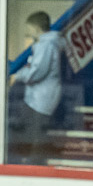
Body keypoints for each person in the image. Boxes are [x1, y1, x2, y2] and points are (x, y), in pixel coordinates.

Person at [16, 12, 67, 157]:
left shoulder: (46, 45)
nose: (27, 31)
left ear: (36, 28)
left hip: (41, 99)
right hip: (38, 98)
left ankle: (35, 165)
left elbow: (37, 71)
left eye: (29, 27)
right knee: (30, 133)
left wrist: (19, 76)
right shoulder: (45, 44)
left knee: (37, 136)